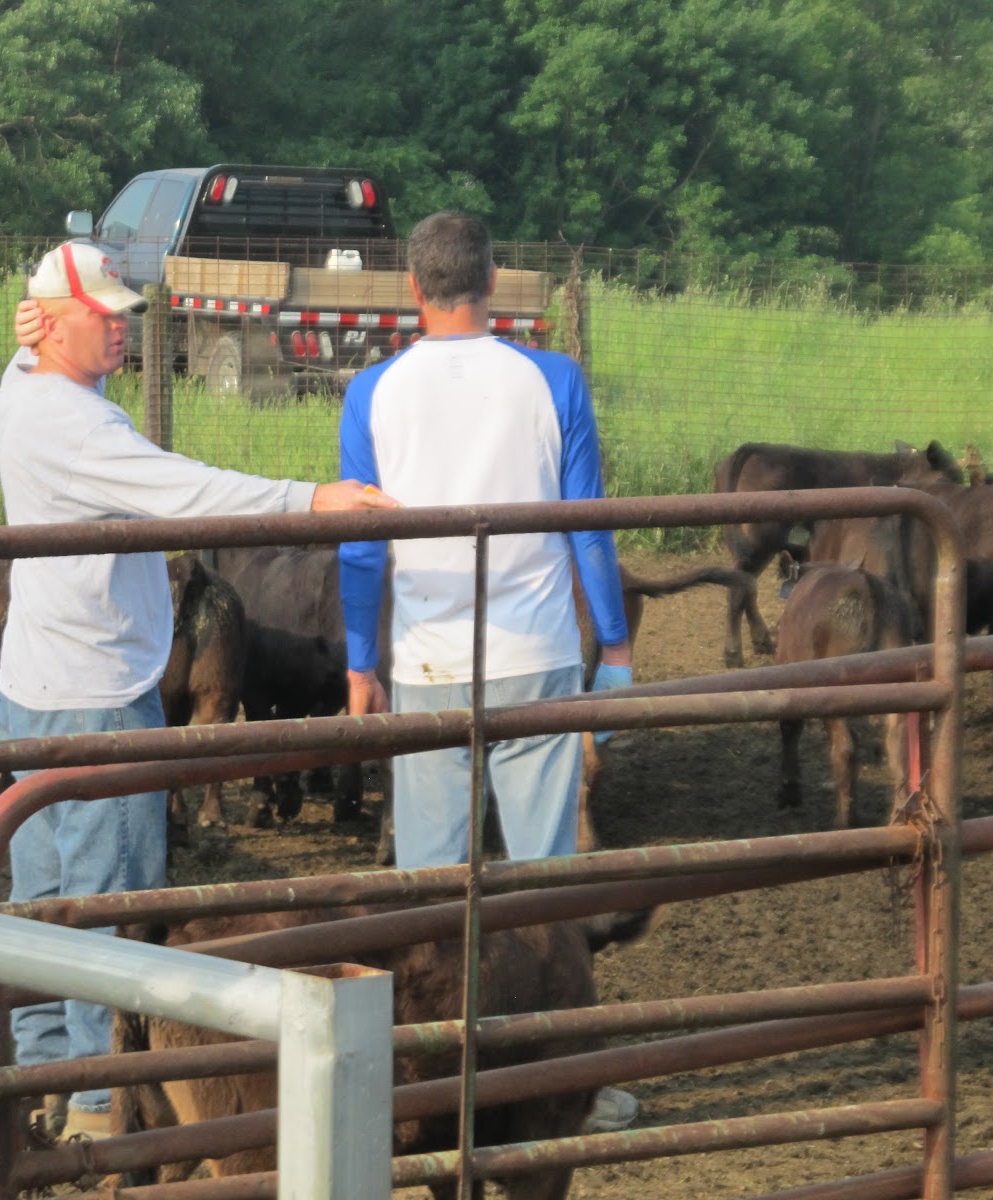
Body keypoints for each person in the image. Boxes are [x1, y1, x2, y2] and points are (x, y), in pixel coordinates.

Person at [0, 240, 395, 1142]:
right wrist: (310, 499)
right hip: (98, 690)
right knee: (111, 897)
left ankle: (42, 1077)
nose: (122, 330)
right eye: (103, 315)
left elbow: (27, 373)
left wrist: (27, 344)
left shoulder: (20, 395)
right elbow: (187, 491)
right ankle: (97, 1102)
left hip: (34, 681)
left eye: (122, 314)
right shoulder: (79, 426)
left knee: (42, 896)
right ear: (53, 324)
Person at [336, 210, 638, 1133]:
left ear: (413, 289)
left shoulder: (372, 393)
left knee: (428, 894)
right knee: (543, 889)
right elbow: (586, 525)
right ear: (495, 280)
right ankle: (556, 1082)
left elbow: (360, 547)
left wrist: (360, 661)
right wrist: (615, 648)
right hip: (535, 658)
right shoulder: (553, 379)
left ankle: (425, 1088)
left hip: (427, 661)